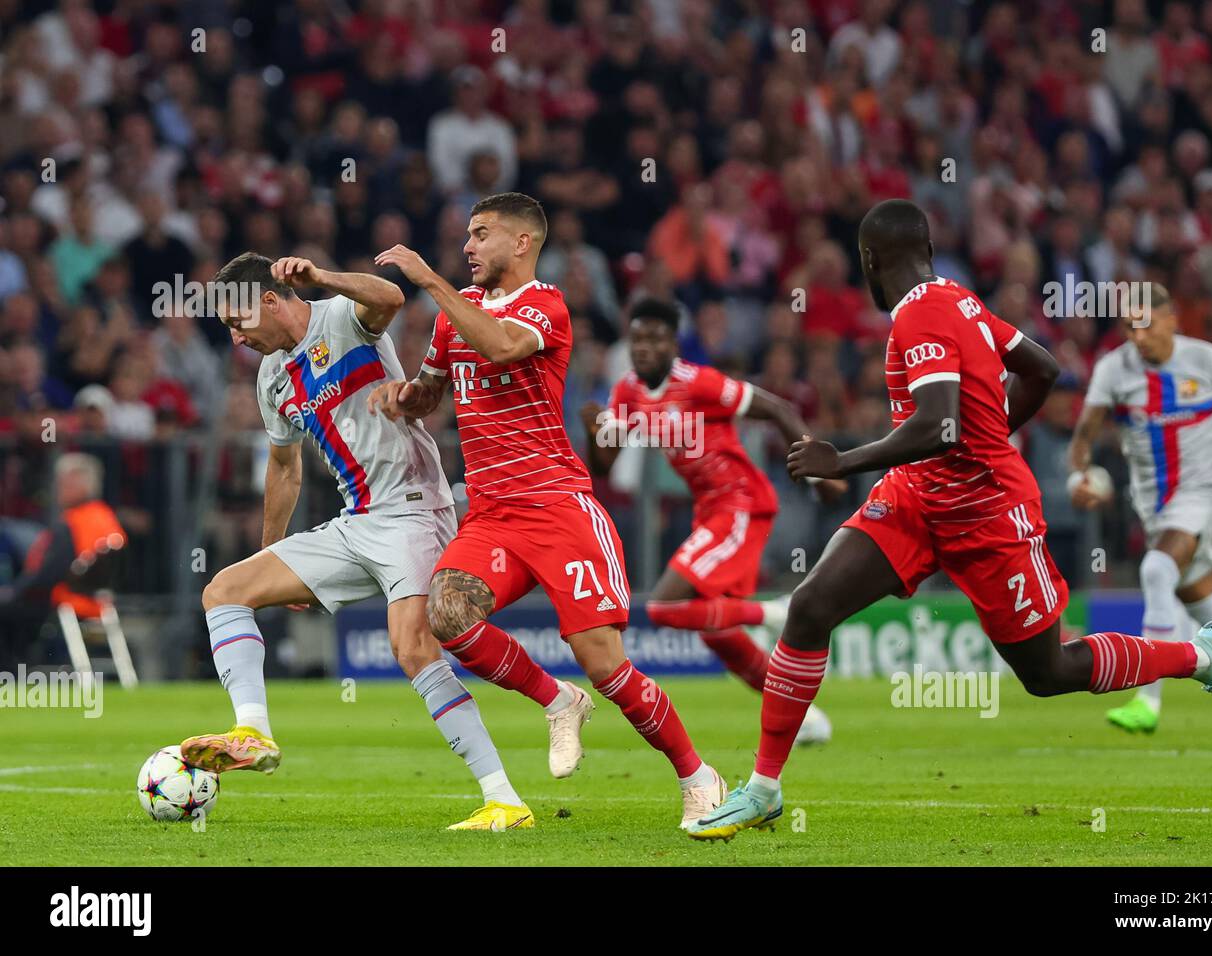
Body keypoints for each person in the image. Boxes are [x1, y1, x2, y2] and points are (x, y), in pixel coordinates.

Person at [686, 199, 1212, 842]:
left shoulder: (923, 316)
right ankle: (763, 789)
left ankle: (1203, 656)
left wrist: (841, 460)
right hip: (917, 498)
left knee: (1049, 673)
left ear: (871, 261)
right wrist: (993, 430)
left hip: (989, 515)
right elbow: (1041, 369)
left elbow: (938, 423)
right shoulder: (959, 299)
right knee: (811, 606)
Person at [370, 192, 727, 829]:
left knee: (605, 663)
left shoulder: (548, 305)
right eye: (466, 237)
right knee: (447, 615)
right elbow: (433, 389)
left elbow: (504, 348)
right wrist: (407, 395)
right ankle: (557, 699)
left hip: (559, 508)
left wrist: (429, 280)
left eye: (481, 235)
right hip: (491, 513)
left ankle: (697, 775)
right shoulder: (456, 315)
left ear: (522, 242)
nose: (468, 247)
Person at [182, 251, 534, 831]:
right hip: (358, 520)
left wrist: (320, 277)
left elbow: (391, 298)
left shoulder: (340, 318)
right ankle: (254, 733)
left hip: (413, 513)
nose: (236, 337)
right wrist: (271, 552)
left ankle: (504, 799)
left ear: (270, 299)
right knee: (225, 590)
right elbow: (284, 468)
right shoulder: (272, 378)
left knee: (412, 649)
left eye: (238, 321)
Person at [580, 296, 843, 743]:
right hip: (710, 511)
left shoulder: (700, 383)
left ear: (673, 345)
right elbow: (605, 465)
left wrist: (816, 471)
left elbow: (777, 408)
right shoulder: (628, 392)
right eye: (638, 338)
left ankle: (775, 611)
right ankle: (805, 718)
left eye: (655, 339)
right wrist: (595, 432)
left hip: (741, 503)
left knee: (664, 606)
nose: (645, 347)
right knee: (717, 632)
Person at [1068, 283, 1212, 733]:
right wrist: (1080, 478)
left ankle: (1147, 701)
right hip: (1156, 509)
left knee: (1156, 570)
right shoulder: (1114, 371)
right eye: (1131, 329)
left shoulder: (1208, 359)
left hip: (1206, 491)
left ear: (1172, 318)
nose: (1139, 337)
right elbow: (1082, 439)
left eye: (1148, 325)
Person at [0, 454, 124, 670]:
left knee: (9, 610)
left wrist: (15, 591)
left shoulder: (73, 523)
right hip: (101, 601)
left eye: (63, 484)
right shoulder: (107, 518)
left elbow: (50, 572)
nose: (58, 490)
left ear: (79, 485)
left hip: (68, 600)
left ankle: (12, 671)